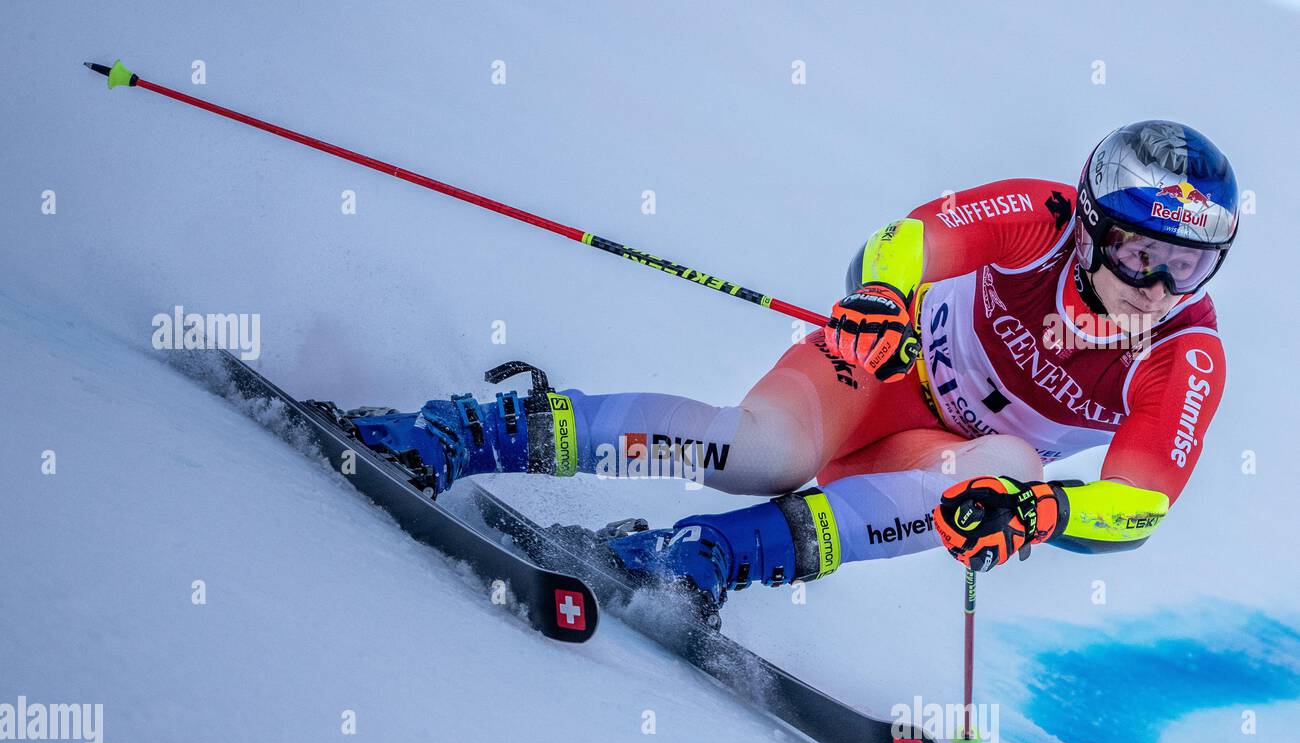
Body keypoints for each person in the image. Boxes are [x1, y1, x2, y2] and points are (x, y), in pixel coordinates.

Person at [350, 120, 1237, 616]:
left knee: (1012, 472)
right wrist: (883, 299)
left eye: (1187, 267)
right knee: (763, 455)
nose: (1156, 285)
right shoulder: (1037, 218)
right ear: (1087, 224)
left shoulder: (1183, 351)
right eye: (1137, 252)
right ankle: (465, 432)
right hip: (873, 372)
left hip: (929, 465)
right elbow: (905, 239)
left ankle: (701, 557)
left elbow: (1140, 505)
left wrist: (1038, 514)